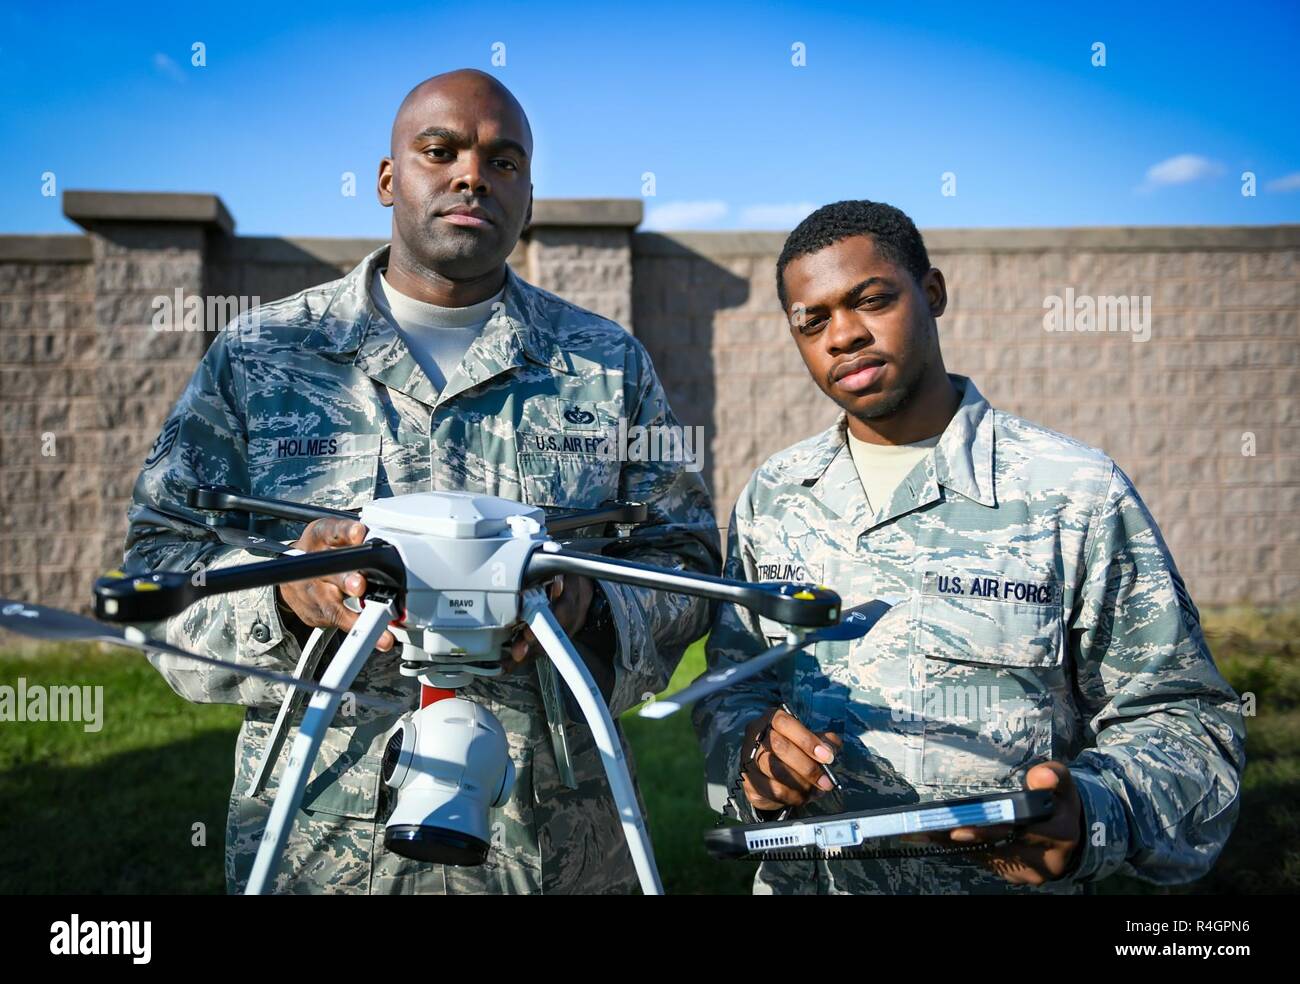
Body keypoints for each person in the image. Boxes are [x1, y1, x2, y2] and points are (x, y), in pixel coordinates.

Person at [126, 69, 719, 894]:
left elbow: (686, 560)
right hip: (319, 850)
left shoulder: (603, 364)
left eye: (503, 162)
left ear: (529, 198)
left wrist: (591, 611)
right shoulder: (263, 356)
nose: (472, 175)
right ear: (386, 178)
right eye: (439, 151)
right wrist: (285, 599)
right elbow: (156, 574)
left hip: (555, 851)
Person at [692, 199, 1244, 894]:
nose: (843, 335)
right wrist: (752, 756)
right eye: (814, 320)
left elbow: (1185, 719)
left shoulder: (1071, 491)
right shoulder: (774, 496)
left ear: (932, 293)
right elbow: (732, 689)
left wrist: (1091, 815)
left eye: (872, 300)